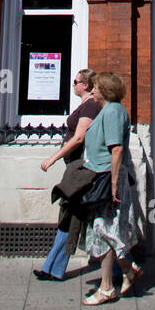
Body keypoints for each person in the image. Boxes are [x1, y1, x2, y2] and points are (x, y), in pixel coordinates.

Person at [32, 68, 100, 281]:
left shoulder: (90, 106)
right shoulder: (86, 105)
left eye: (76, 81)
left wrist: (52, 159)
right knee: (73, 215)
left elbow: (79, 138)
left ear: (85, 85)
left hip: (81, 170)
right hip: (76, 169)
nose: (73, 84)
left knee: (77, 215)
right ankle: (53, 267)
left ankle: (122, 267)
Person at [80, 71, 142, 305]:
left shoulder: (114, 111)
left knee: (105, 229)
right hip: (102, 177)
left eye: (95, 87)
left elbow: (116, 149)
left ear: (104, 90)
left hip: (108, 178)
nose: (92, 90)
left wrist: (114, 184)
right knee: (104, 230)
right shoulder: (107, 111)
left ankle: (114, 281)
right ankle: (123, 274)